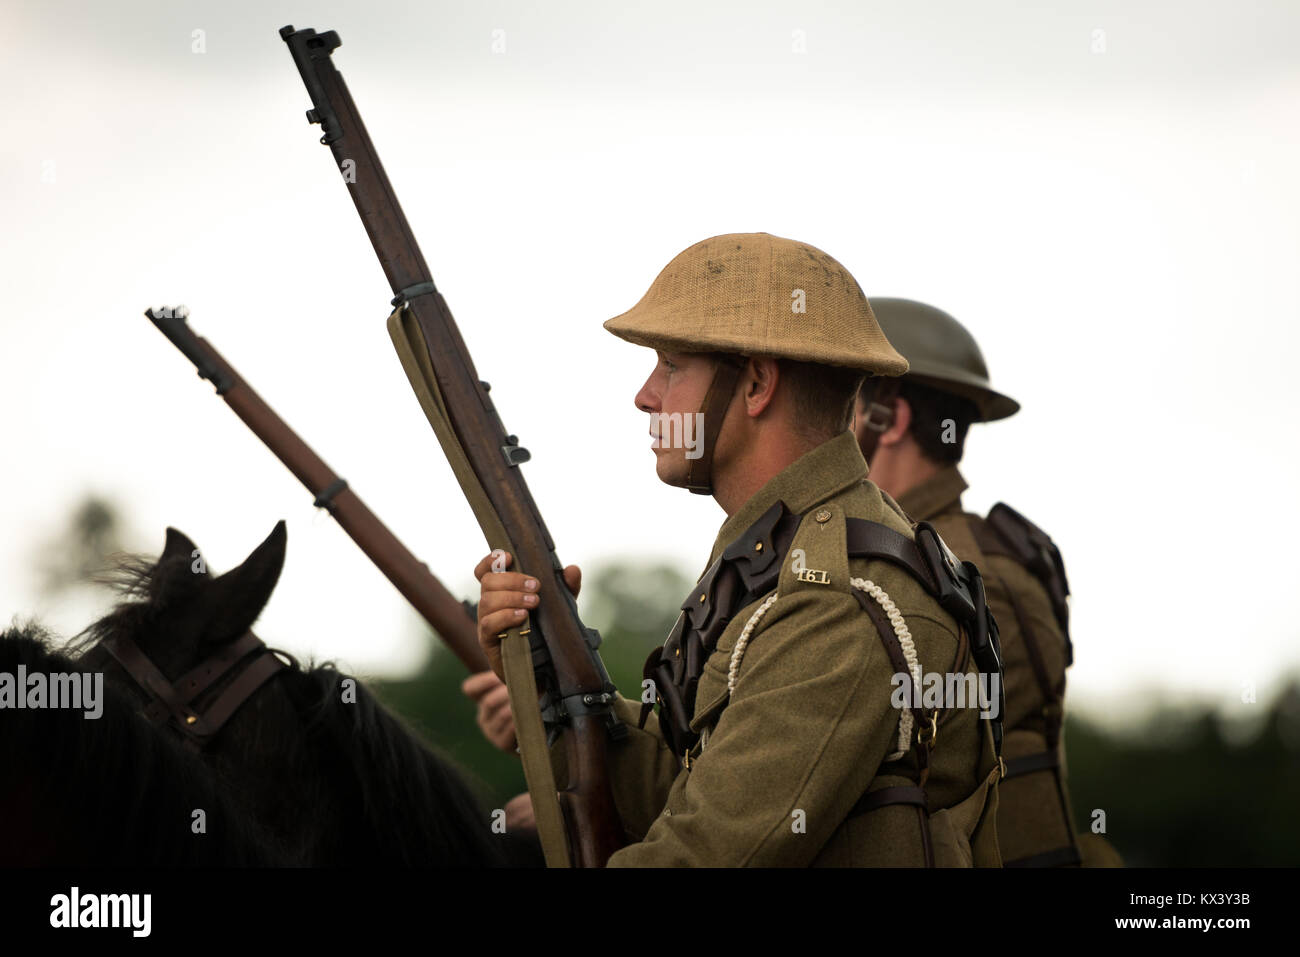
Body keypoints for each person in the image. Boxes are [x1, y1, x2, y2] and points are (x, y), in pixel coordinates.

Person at [466, 234, 1004, 866]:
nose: (646, 395)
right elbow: (680, 788)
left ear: (755, 385)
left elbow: (705, 853)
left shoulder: (839, 600)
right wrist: (542, 669)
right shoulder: (780, 553)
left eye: (670, 366)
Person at [852, 297, 1111, 867]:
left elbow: (1003, 769)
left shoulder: (955, 569)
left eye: (836, 402)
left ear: (889, 420)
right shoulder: (928, 552)